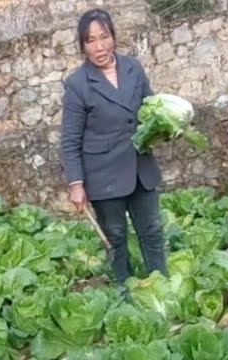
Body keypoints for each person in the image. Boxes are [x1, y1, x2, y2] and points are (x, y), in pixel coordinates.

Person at [58, 8, 167, 287]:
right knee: (116, 238)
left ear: (113, 37)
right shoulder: (77, 85)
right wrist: (76, 183)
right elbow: (70, 140)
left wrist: (166, 126)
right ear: (83, 47)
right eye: (91, 40)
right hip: (104, 174)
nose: (99, 46)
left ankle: (161, 288)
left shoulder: (133, 68)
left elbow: (151, 109)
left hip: (140, 167)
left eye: (104, 37)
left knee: (152, 230)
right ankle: (125, 290)